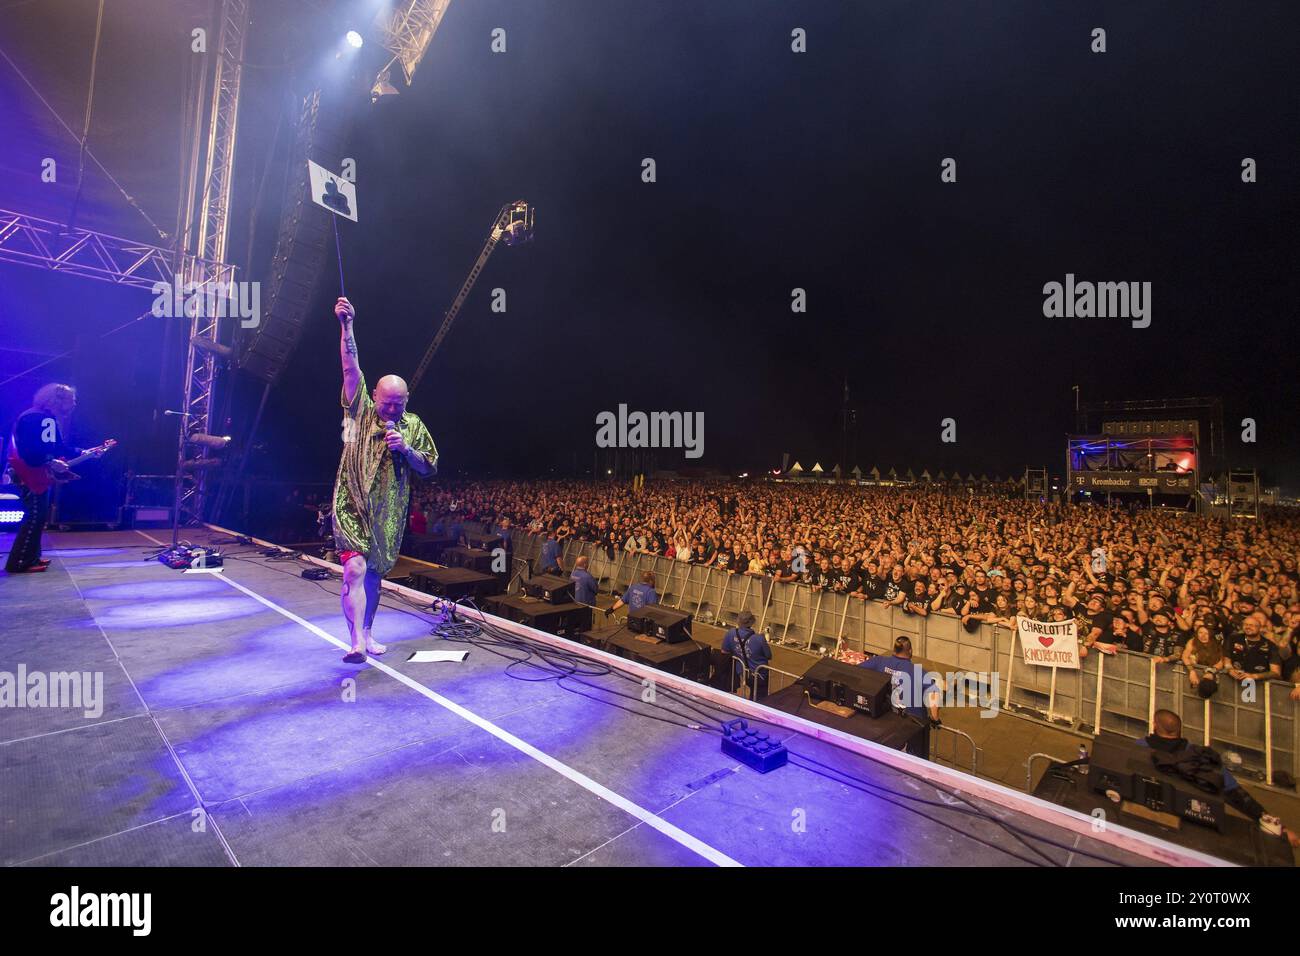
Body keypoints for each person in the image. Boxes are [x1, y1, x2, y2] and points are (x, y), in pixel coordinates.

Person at [331, 297, 439, 664]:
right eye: (386, 402)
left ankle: (368, 632)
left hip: (388, 513)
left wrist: (406, 450)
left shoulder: (414, 426)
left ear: (407, 400)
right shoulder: (358, 406)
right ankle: (355, 642)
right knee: (354, 568)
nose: (392, 409)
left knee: (374, 575)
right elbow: (350, 368)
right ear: (374, 395)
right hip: (352, 501)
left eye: (399, 404)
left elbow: (429, 468)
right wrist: (347, 326)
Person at [4, 383, 103, 573]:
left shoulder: (39, 417)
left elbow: (57, 447)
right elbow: (34, 450)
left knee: (38, 517)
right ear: (57, 400)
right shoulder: (41, 418)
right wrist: (50, 462)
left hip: (33, 472)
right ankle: (19, 562)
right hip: (28, 473)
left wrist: (86, 452)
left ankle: (31, 558)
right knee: (34, 517)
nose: (74, 405)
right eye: (71, 401)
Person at [1136, 710, 1278, 829]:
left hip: (1144, 816)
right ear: (1179, 730)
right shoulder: (1202, 757)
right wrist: (1266, 819)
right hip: (1192, 822)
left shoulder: (1138, 748)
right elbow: (1236, 794)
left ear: (1155, 726)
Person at [859, 636, 941, 759]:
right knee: (913, 762)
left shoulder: (879, 661)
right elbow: (934, 693)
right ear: (911, 651)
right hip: (912, 728)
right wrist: (934, 717)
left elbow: (855, 672)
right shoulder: (918, 672)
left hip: (883, 723)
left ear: (894, 650)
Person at [722, 611, 771, 697]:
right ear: (751, 623)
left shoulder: (731, 633)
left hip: (741, 671)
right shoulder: (759, 639)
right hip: (759, 674)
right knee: (760, 697)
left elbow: (724, 651)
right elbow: (769, 656)